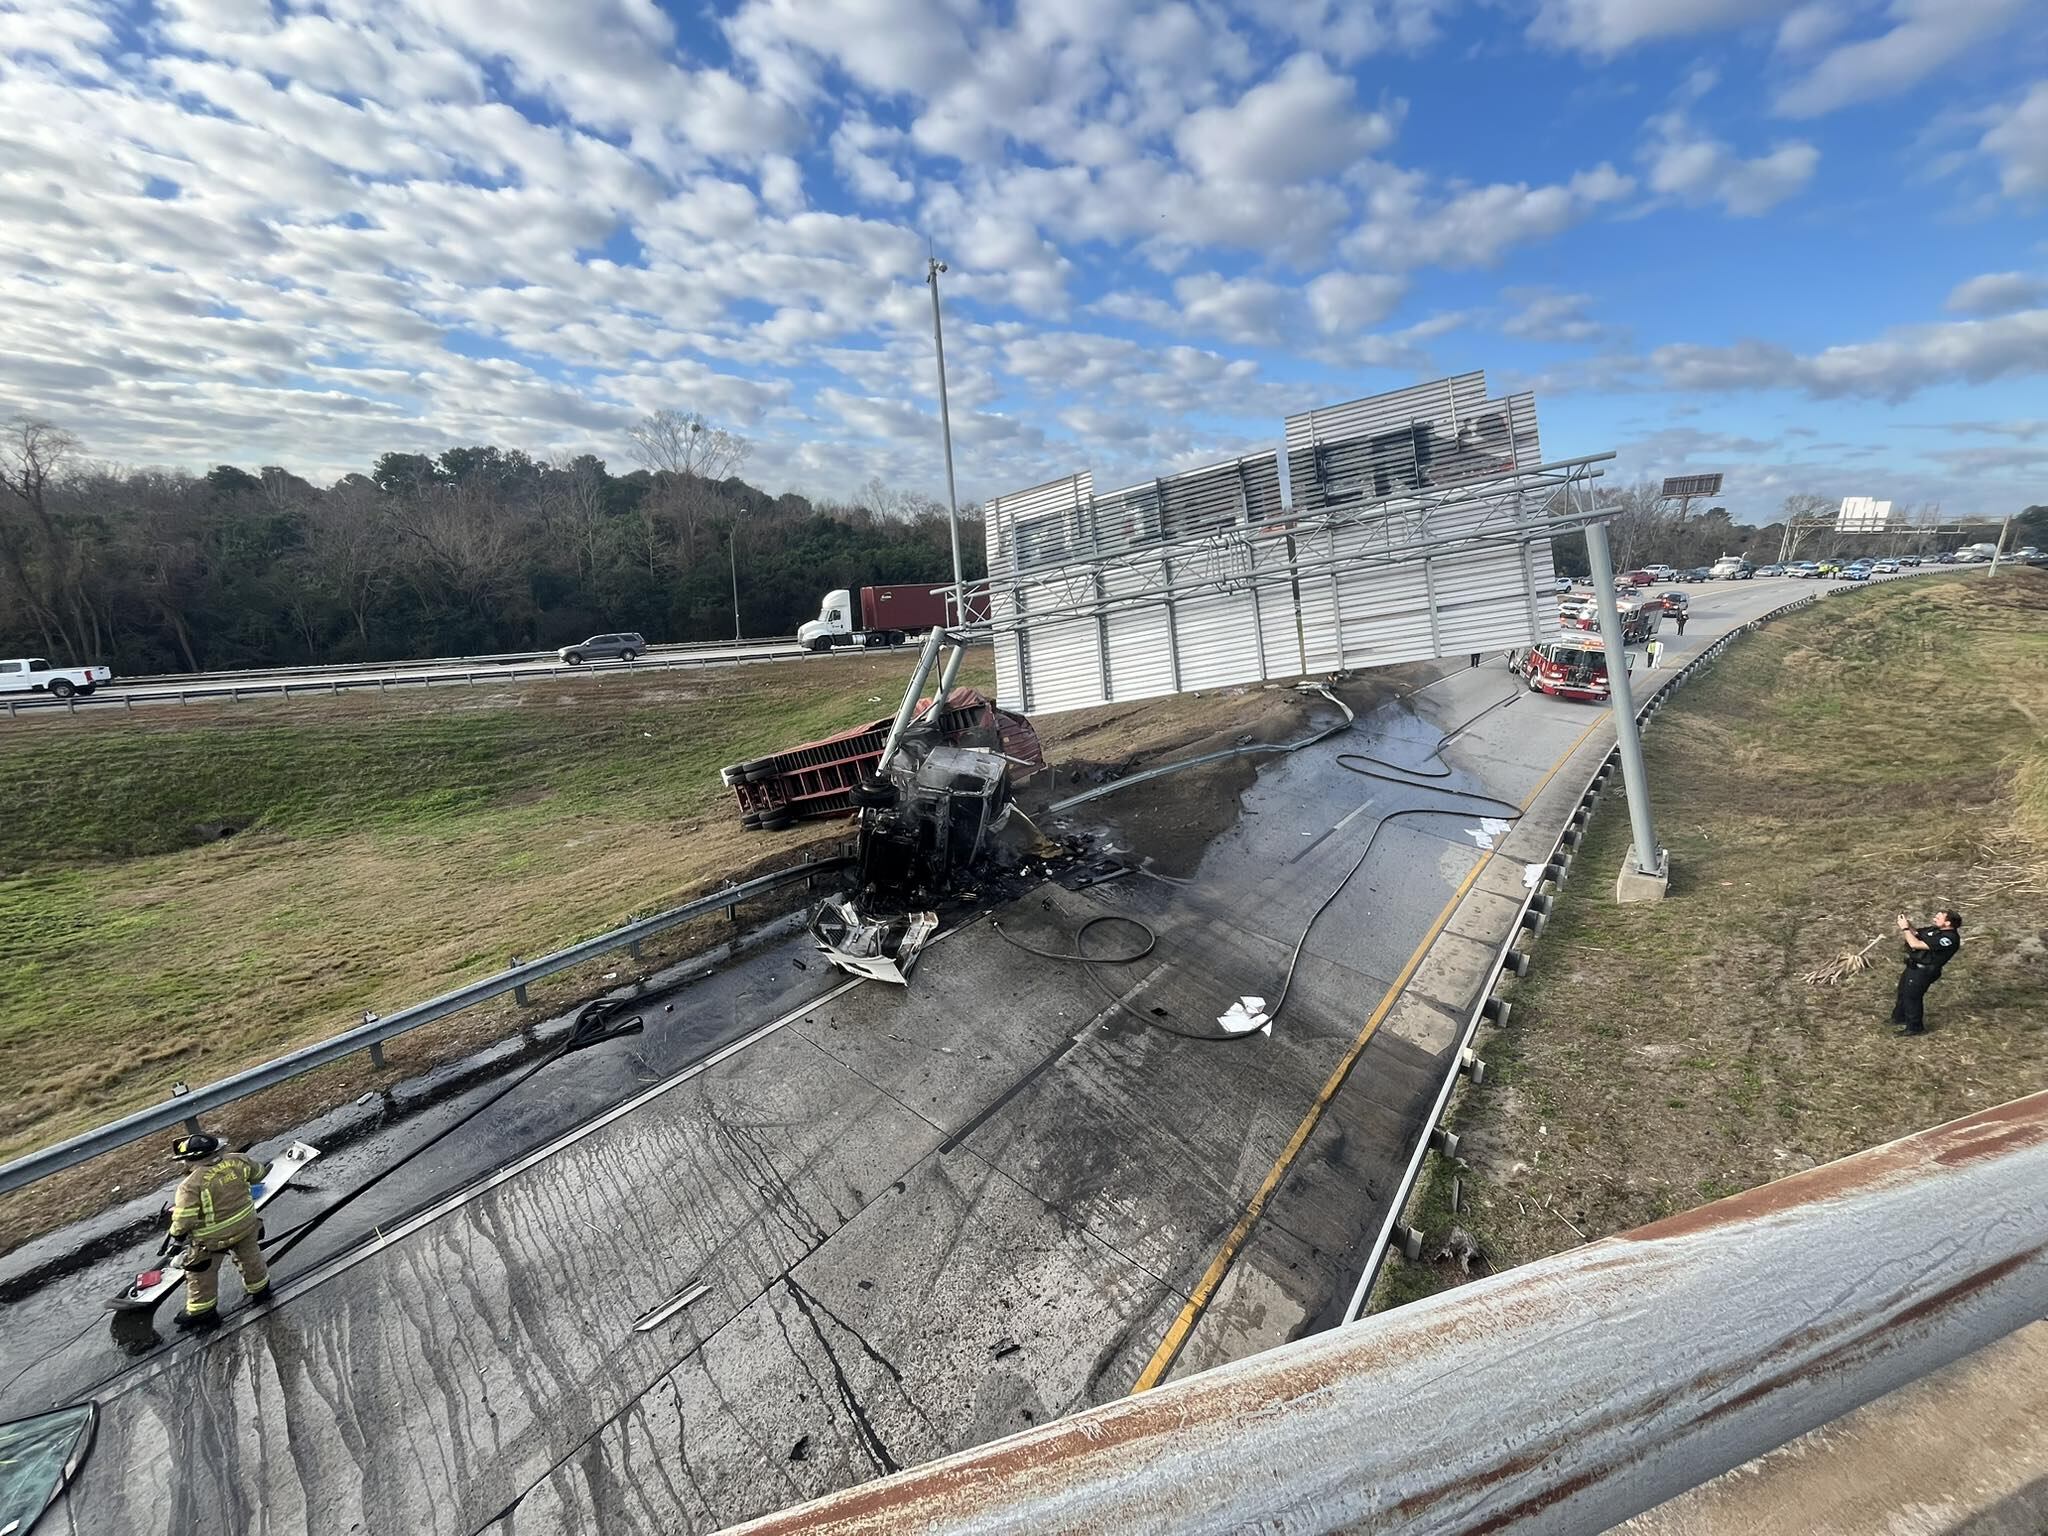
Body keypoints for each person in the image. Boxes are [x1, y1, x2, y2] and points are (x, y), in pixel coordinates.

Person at [163, 1133, 271, 1330]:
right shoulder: (238, 1160)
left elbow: (184, 1219)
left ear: (188, 1160)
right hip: (246, 1226)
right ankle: (261, 1291)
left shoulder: (190, 1185)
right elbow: (259, 1174)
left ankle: (202, 1312)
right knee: (251, 1259)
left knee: (200, 1273)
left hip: (212, 1239)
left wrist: (176, 1235)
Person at [1891, 908, 1962, 1036]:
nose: (1935, 918)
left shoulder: (1948, 939)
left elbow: (1915, 944)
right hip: (1913, 967)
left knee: (1912, 997)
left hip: (1924, 971)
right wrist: (1907, 924)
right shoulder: (1935, 930)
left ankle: (1914, 1027)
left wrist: (1905, 929)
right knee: (1903, 992)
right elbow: (1917, 934)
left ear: (1948, 923)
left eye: (1939, 917)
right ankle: (1899, 1017)